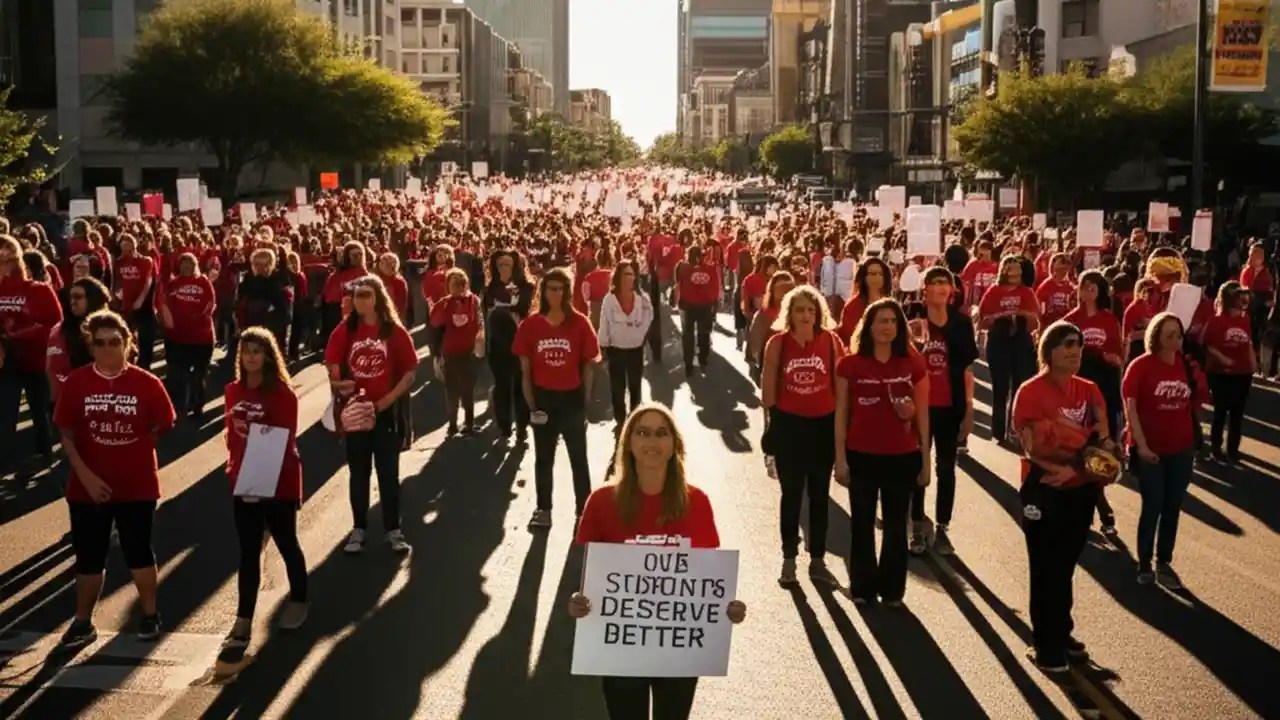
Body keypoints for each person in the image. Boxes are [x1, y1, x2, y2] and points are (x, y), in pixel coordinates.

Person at [570, 404, 747, 720]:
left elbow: (707, 582)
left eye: (661, 433)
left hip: (678, 654)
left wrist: (726, 609)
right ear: (629, 444)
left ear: (675, 445)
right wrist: (580, 603)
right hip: (621, 653)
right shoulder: (601, 502)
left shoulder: (698, 503)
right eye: (642, 432)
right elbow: (588, 576)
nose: (652, 441)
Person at [54, 309, 176, 647]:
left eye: (114, 342)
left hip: (137, 486)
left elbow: (162, 424)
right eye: (100, 343)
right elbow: (66, 431)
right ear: (90, 347)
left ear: (128, 343)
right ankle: (82, 621)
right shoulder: (77, 382)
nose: (108, 349)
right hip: (86, 487)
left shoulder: (147, 384)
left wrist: (133, 457)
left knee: (138, 551)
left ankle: (150, 613)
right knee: (88, 556)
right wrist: (86, 475)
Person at [1012, 321, 1117, 672]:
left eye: (1079, 345)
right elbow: (1027, 442)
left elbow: (1105, 444)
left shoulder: (1090, 391)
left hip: (1079, 488)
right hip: (1042, 489)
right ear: (1048, 350)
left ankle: (1060, 631)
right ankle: (1048, 648)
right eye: (1066, 344)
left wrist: (1078, 470)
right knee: (1045, 568)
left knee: (1066, 566)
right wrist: (1054, 458)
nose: (1075, 350)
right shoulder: (1030, 391)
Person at [217, 328, 309, 666]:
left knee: (286, 541)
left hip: (278, 479)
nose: (251, 357)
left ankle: (299, 598)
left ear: (269, 355)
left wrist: (260, 480)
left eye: (258, 351)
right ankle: (243, 619)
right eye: (246, 352)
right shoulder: (232, 391)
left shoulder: (283, 394)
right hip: (245, 481)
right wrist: (239, 474)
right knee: (247, 551)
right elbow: (232, 435)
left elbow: (282, 440)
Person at [834, 298, 929, 606]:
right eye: (881, 321)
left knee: (895, 527)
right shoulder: (849, 364)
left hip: (902, 456)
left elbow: (923, 416)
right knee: (861, 523)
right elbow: (841, 413)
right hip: (861, 454)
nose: (887, 327)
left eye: (893, 322)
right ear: (868, 326)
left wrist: (926, 463)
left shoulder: (912, 362)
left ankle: (892, 590)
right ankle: (861, 587)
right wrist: (840, 459)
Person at [325, 275, 418, 555]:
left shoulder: (393, 330)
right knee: (358, 472)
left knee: (388, 473)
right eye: (356, 295)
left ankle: (394, 529)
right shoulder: (345, 329)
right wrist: (338, 382)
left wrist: (387, 401)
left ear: (378, 297)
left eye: (366, 294)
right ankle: (358, 528)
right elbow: (331, 362)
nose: (360, 300)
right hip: (355, 413)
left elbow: (410, 371)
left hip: (385, 413)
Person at [761, 285, 842, 587]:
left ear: (819, 312)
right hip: (789, 427)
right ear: (790, 314)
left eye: (811, 309)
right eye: (799, 310)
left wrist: (841, 431)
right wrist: (769, 431)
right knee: (791, 495)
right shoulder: (777, 344)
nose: (806, 315)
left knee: (820, 495)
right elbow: (768, 392)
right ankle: (788, 559)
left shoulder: (831, 342)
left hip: (823, 426)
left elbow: (840, 387)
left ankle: (818, 559)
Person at [1123, 312, 1207, 589]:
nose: (1175, 339)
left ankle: (1164, 562)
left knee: (1173, 506)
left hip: (1182, 449)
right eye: (1169, 334)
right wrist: (1141, 445)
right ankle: (1144, 562)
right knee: (1153, 505)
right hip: (1151, 451)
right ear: (1156, 336)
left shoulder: (1185, 365)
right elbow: (1131, 407)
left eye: (1178, 334)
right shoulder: (1141, 366)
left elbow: (1197, 400)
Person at [513, 267, 601, 529]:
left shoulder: (580, 323)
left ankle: (583, 511)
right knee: (543, 457)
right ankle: (543, 508)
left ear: (567, 291)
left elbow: (588, 364)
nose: (556, 293)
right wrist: (531, 403)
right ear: (543, 290)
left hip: (571, 398)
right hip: (544, 399)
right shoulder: (530, 325)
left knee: (578, 458)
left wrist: (585, 401)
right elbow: (525, 369)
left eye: (560, 288)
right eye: (551, 288)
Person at [907, 267, 978, 556]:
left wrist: (970, 409)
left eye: (944, 283)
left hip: (950, 405)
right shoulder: (912, 316)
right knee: (918, 468)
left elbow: (968, 368)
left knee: (946, 467)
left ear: (952, 290)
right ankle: (917, 527)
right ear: (924, 289)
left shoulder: (961, 323)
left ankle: (942, 527)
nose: (939, 287)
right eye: (933, 282)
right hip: (918, 407)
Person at [1062, 270, 1124, 535]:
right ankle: (1099, 508)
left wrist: (1107, 357)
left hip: (1103, 391)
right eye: (1083, 286)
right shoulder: (1070, 320)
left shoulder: (1109, 320)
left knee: (1097, 450)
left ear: (1100, 291)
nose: (1087, 290)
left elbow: (1119, 356)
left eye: (1092, 286)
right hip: (1074, 393)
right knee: (1078, 451)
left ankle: (1097, 505)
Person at [0, 233, 62, 471]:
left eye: (7, 259)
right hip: (8, 364)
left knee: (40, 412)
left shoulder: (39, 290)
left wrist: (20, 333)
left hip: (38, 361)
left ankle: (44, 453)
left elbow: (56, 326)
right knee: (5, 415)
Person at [977, 254, 1040, 444]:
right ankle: (998, 432)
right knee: (1000, 388)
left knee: (1019, 386)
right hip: (999, 341)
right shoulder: (994, 292)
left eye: (1017, 268)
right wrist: (999, 317)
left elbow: (1035, 319)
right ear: (1003, 271)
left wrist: (1021, 315)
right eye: (1010, 268)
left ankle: (1015, 429)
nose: (1014, 272)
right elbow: (982, 319)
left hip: (1020, 341)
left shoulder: (1027, 292)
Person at [483, 249, 535, 443]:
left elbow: (522, 309)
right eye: (500, 265)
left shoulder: (526, 286)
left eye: (507, 265)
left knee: (521, 387)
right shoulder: (490, 288)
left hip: (520, 342)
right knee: (502, 386)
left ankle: (522, 427)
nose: (503, 268)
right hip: (497, 343)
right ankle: (504, 427)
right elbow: (487, 313)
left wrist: (506, 302)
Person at [158, 252, 217, 419]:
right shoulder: (173, 283)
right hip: (177, 337)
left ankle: (197, 405)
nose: (186, 267)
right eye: (183, 263)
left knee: (198, 375)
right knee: (178, 374)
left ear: (195, 265)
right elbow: (165, 303)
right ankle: (179, 407)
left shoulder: (203, 282)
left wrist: (197, 317)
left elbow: (211, 303)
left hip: (201, 337)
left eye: (189, 263)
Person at [598, 260, 653, 432]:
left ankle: (635, 416)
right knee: (617, 386)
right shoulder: (609, 300)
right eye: (625, 274)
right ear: (618, 277)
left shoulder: (642, 299)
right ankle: (620, 418)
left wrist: (640, 333)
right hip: (616, 349)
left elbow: (649, 315)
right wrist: (603, 344)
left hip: (635, 348)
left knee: (635, 384)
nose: (629, 278)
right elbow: (604, 322)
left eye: (631, 274)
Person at [1202, 281, 1255, 463]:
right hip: (1221, 373)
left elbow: (1248, 341)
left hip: (1242, 373)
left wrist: (1252, 362)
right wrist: (1223, 359)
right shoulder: (1216, 321)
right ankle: (1216, 447)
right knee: (1220, 411)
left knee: (1238, 413)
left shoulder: (1245, 319)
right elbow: (1207, 344)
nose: (1243, 301)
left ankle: (1233, 449)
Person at [430, 267, 482, 435]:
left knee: (468, 389)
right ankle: (452, 424)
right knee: (451, 389)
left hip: (469, 351)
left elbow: (479, 322)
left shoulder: (473, 300)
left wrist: (479, 345)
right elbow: (435, 322)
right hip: (450, 351)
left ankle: (469, 423)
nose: (458, 288)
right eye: (454, 284)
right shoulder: (445, 303)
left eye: (461, 284)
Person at [47, 277, 111, 405]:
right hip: (66, 402)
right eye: (71, 297)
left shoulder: (111, 328)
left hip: (102, 401)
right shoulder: (59, 331)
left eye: (78, 297)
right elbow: (51, 369)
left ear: (92, 299)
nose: (73, 302)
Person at [673, 245, 721, 377]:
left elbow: (677, 282)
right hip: (705, 306)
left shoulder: (683, 267)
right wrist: (715, 304)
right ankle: (703, 359)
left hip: (687, 305)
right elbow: (716, 287)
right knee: (704, 334)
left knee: (687, 335)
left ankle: (688, 363)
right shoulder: (711, 269)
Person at [113, 233, 157, 370]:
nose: (125, 246)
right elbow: (116, 282)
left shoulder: (145, 261)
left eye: (128, 242)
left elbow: (148, 282)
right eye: (122, 243)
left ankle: (145, 367)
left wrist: (140, 300)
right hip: (125, 306)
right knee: (126, 337)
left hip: (144, 306)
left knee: (145, 340)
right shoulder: (118, 262)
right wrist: (117, 295)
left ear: (134, 244)